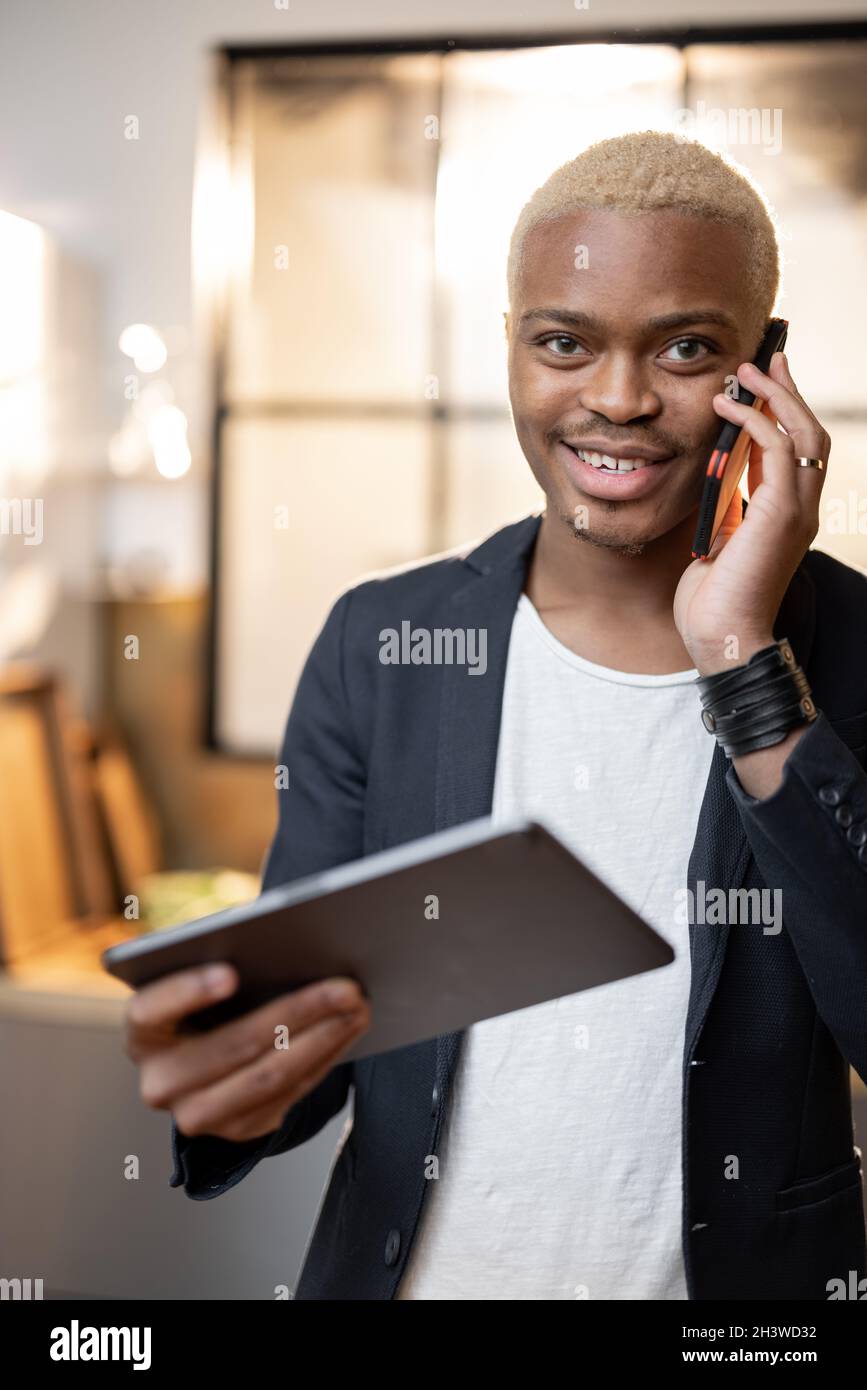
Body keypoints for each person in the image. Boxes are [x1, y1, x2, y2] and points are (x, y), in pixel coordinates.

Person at [124, 131, 867, 1300]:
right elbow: (311, 1027)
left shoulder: (850, 652)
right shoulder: (383, 644)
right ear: (513, 351)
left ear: (765, 369)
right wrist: (247, 1086)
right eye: (564, 342)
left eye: (684, 348)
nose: (617, 401)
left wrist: (742, 661)